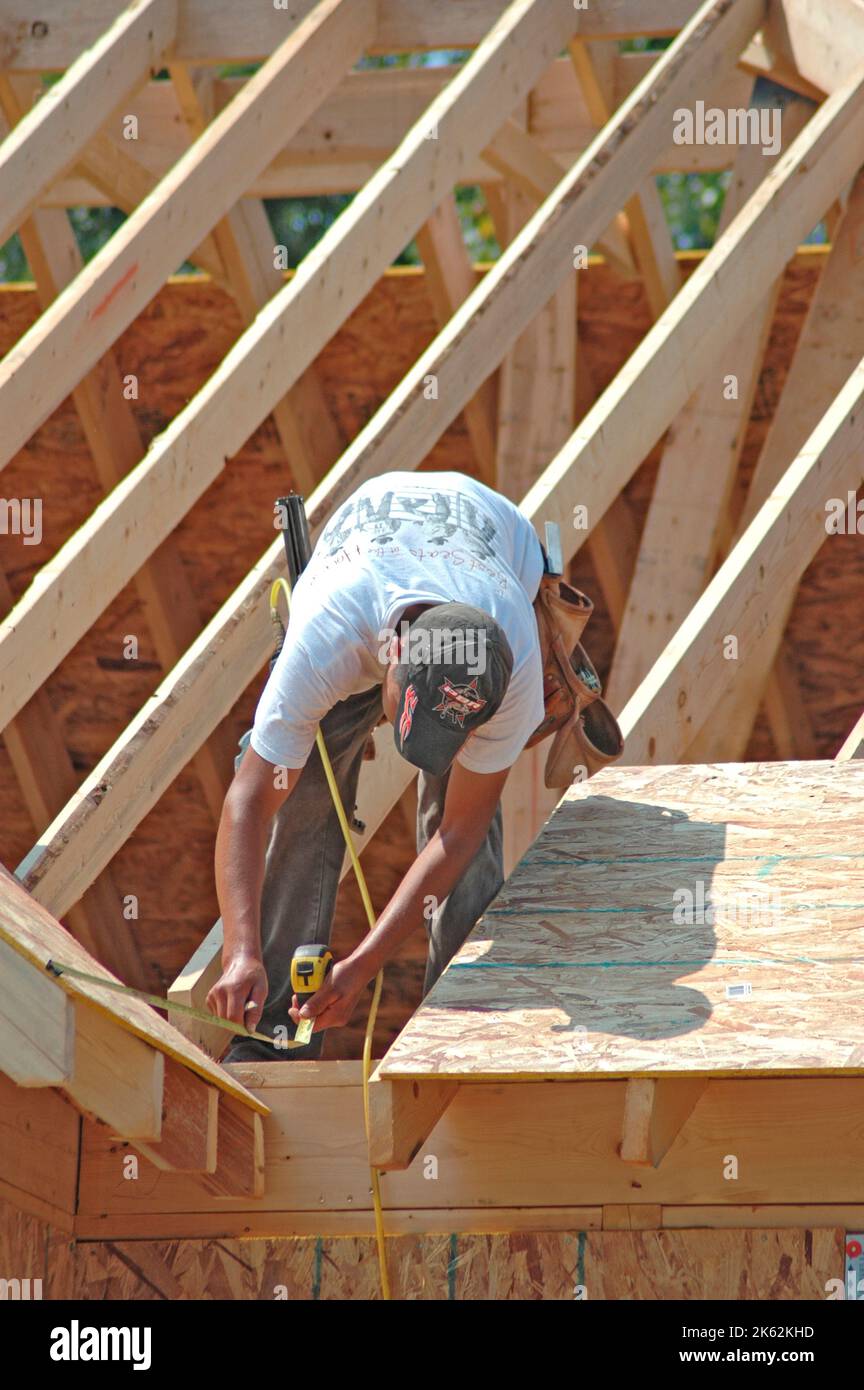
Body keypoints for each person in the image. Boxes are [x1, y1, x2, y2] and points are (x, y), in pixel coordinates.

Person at [208, 470, 548, 1062]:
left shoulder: (512, 668)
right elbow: (250, 800)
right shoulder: (327, 638)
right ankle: (274, 1034)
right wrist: (240, 950)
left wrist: (363, 966)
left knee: (462, 818)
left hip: (494, 540)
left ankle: (465, 1031)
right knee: (305, 778)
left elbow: (459, 832)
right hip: (367, 560)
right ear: (390, 661)